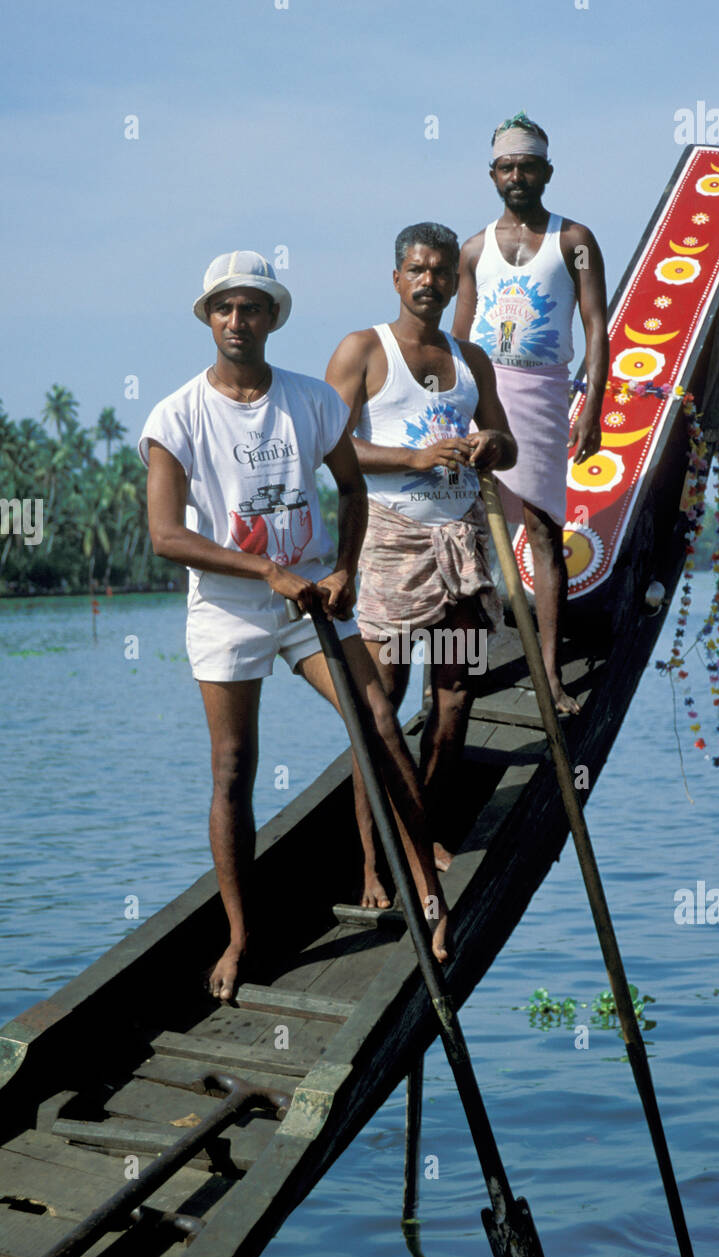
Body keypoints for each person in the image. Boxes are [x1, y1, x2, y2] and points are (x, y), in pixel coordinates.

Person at [141, 250, 449, 1000]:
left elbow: (351, 489)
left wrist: (342, 569)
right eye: (224, 309)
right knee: (233, 768)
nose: (237, 321)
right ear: (209, 319)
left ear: (273, 318)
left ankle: (427, 895)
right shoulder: (176, 416)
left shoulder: (311, 401)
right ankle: (244, 937)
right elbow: (165, 537)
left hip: (311, 598)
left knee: (379, 720)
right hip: (228, 607)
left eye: (251, 308)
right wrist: (266, 573)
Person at [325, 223, 516, 909]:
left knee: (456, 695)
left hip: (460, 546)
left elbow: (509, 447)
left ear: (454, 283)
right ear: (397, 276)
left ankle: (425, 830)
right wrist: (413, 457)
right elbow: (330, 445)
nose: (429, 282)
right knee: (382, 706)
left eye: (441, 272)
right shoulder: (364, 350)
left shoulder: (471, 360)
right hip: (390, 547)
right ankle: (373, 864)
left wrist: (489, 443)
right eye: (417, 269)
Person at [453, 112, 610, 715]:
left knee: (545, 531)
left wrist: (591, 406)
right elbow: (460, 335)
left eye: (527, 166)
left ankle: (549, 674)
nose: (516, 176)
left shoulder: (575, 241)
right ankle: (458, 673)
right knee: (471, 536)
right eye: (506, 167)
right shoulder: (473, 250)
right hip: (483, 397)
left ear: (547, 172)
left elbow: (596, 327)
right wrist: (451, 408)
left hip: (545, 398)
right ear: (492, 174)